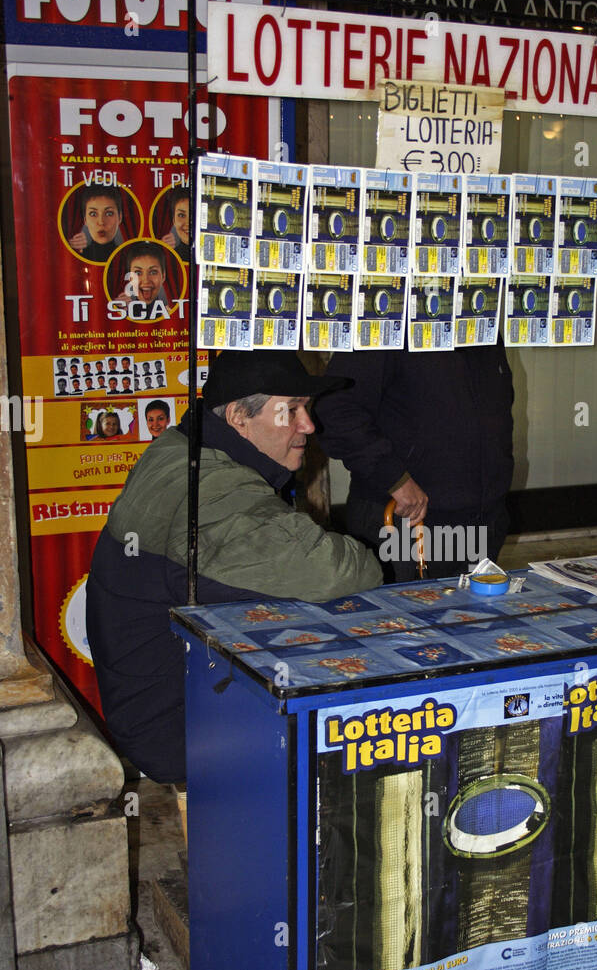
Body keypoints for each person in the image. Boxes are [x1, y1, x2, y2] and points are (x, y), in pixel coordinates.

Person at [86, 349, 382, 783]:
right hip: (178, 728)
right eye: (292, 411)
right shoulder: (213, 490)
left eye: (307, 409)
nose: (309, 426)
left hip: (159, 699)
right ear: (239, 418)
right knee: (376, 733)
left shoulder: (183, 446)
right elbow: (343, 572)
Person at [316, 340, 514, 582]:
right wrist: (393, 477)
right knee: (398, 618)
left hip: (482, 522)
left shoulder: (482, 323)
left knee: (474, 618)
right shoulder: (391, 318)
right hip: (405, 520)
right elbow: (335, 409)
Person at [69, 186, 126, 262]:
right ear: (85, 220)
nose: (101, 222)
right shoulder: (73, 259)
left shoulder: (125, 259)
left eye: (109, 213)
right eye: (93, 214)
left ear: (120, 217)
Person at [160, 187, 190, 262]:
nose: (188, 223)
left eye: (194, 214)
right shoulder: (169, 258)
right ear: (173, 220)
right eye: (181, 215)